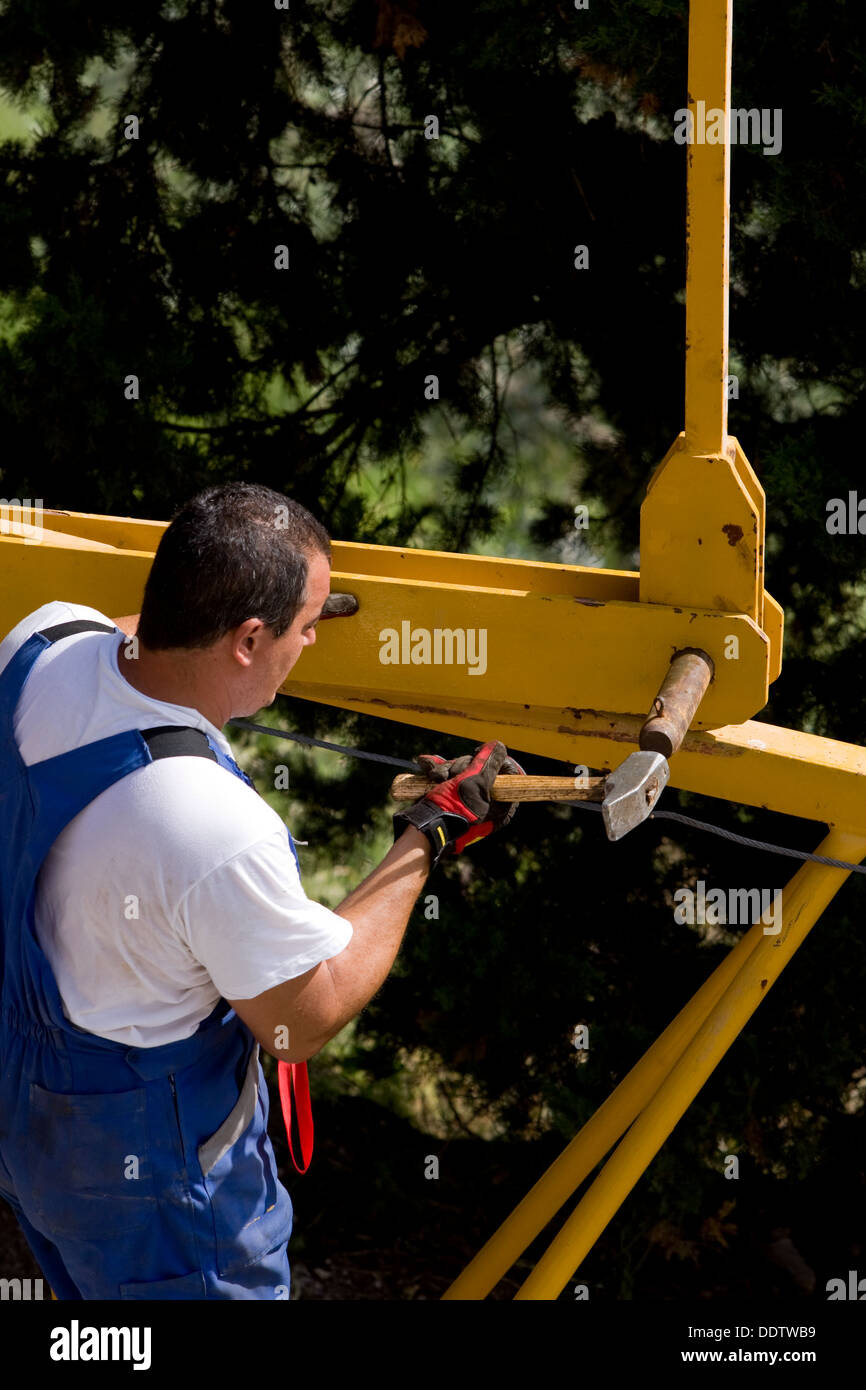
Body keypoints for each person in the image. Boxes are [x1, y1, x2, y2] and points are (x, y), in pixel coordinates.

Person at [0, 481, 522, 1300]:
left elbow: (134, 638)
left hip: (34, 1126)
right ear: (247, 638)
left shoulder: (42, 640)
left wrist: (279, 600)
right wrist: (431, 830)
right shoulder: (210, 825)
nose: (313, 640)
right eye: (306, 628)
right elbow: (300, 1020)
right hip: (156, 1188)